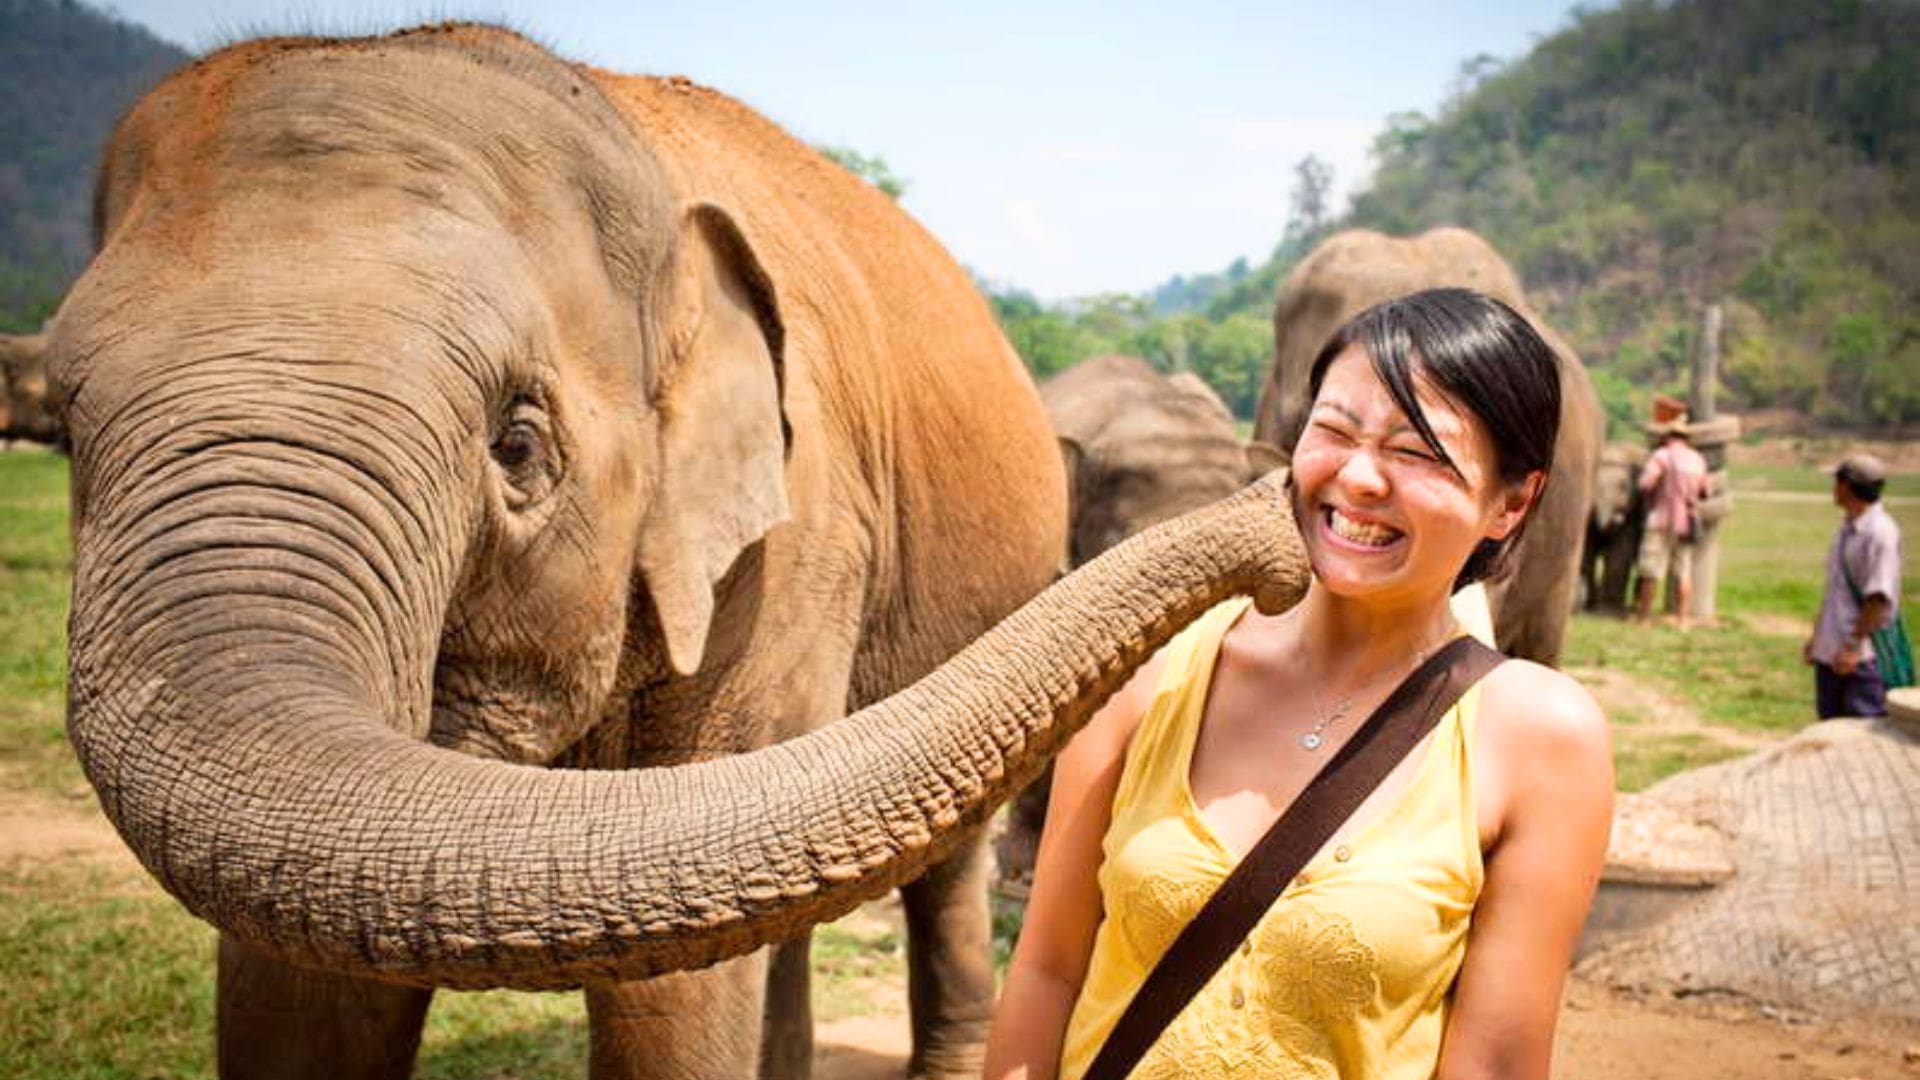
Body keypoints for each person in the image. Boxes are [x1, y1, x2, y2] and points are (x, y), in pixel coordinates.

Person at [984, 288, 1613, 1080]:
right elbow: (1047, 967)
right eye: (1335, 430)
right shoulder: (1151, 673)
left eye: (1416, 452)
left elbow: (1496, 1062)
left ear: (1512, 502)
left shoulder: (1539, 739)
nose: (1358, 476)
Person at [1805, 452, 1904, 719]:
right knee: (1829, 733)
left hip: (1861, 659)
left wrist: (1852, 646)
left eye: (1836, 482)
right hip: (1833, 652)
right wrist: (1818, 637)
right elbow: (1836, 591)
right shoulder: (1848, 528)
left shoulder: (1880, 533)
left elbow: (1878, 598)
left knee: (1860, 736)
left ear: (1846, 486)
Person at [1632, 419, 1710, 629]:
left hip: (1660, 520)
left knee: (1651, 570)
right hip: (1687, 524)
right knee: (1683, 572)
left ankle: (1644, 618)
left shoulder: (1661, 455)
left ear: (1668, 436)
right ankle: (1683, 620)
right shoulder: (1697, 459)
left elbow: (1645, 483)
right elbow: (1705, 491)